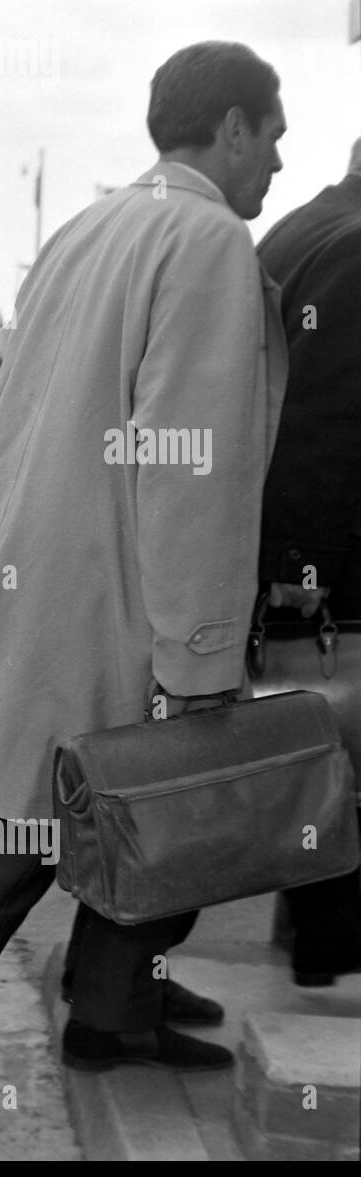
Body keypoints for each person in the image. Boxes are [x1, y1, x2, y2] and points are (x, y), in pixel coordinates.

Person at [0, 41, 288, 1161]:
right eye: (271, 136)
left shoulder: (85, 230)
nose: (276, 162)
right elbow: (194, 468)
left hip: (20, 576)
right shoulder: (208, 240)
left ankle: (110, 1014)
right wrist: (198, 660)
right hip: (109, 599)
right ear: (228, 128)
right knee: (31, 835)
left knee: (59, 823)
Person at [254, 140, 361, 988]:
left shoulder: (299, 228)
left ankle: (316, 940)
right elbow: (327, 419)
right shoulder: (353, 241)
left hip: (287, 546)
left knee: (303, 744)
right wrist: (308, 567)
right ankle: (329, 943)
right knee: (332, 744)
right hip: (320, 559)